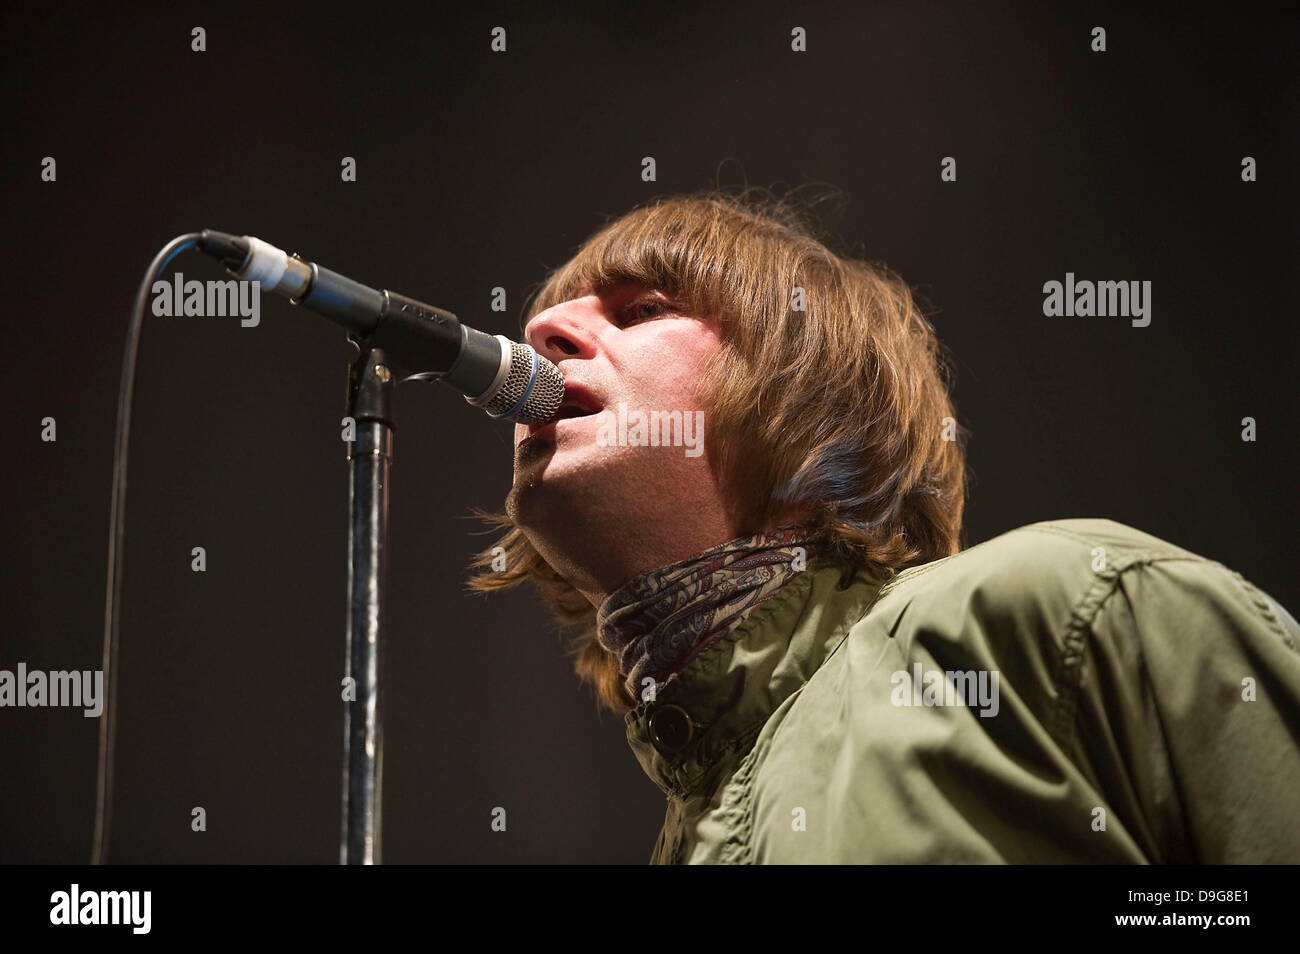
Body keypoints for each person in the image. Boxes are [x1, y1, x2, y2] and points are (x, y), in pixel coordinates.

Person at [468, 188, 1300, 864]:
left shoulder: (1064, 610)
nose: (542, 331)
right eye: (550, 316)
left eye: (641, 309)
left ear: (806, 400)